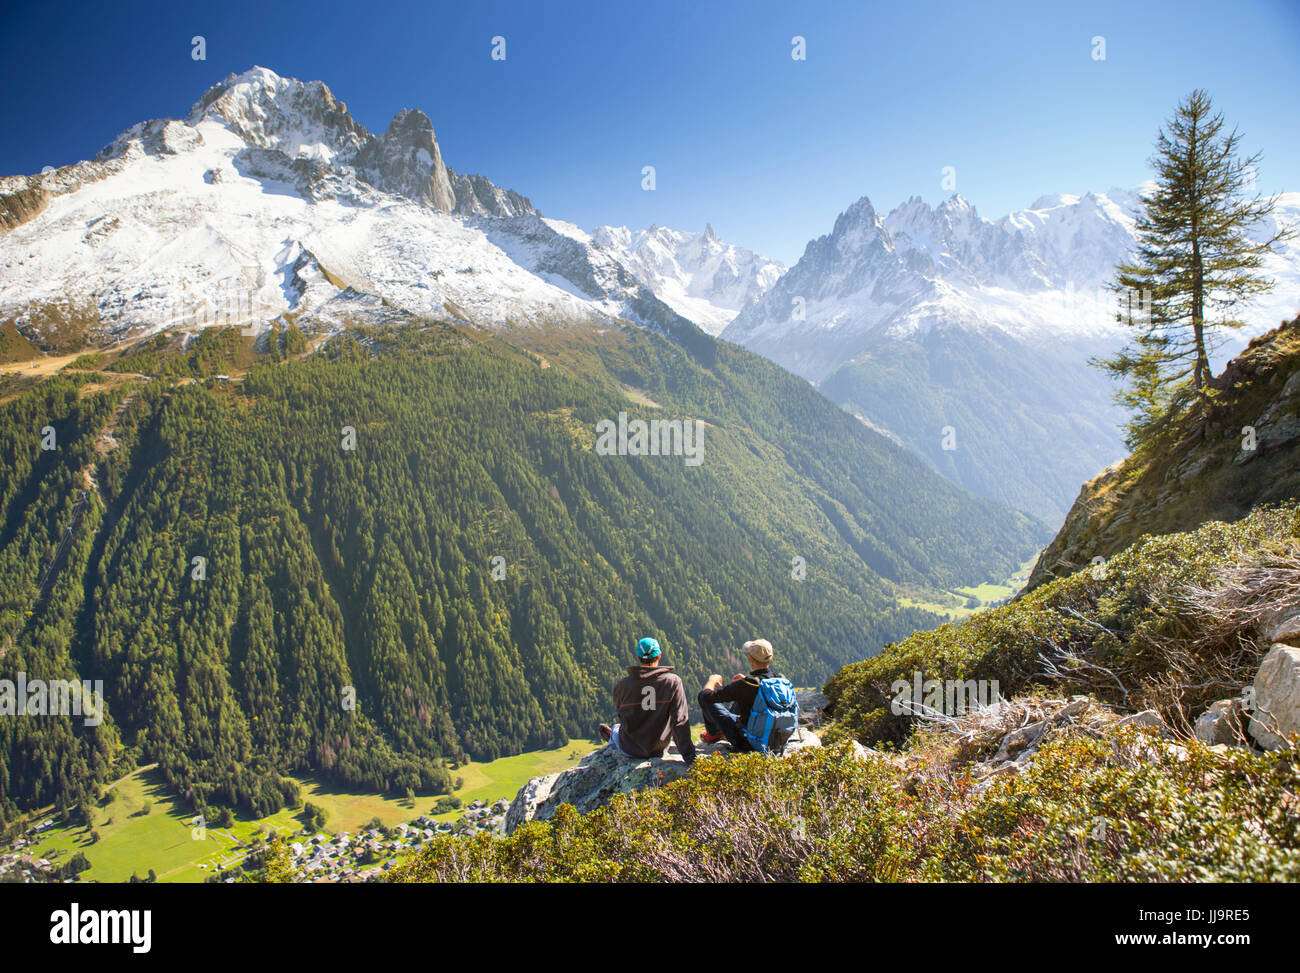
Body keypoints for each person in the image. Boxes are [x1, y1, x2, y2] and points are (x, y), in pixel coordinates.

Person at [600, 637, 696, 765]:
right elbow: (679, 721)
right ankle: (614, 736)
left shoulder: (621, 686)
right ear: (659, 656)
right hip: (658, 748)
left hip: (630, 749)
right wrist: (691, 760)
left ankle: (613, 738)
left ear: (638, 657)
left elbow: (621, 716)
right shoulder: (673, 682)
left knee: (617, 727)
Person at [697, 638, 796, 752]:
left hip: (748, 742)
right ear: (771, 658)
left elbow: (706, 696)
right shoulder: (781, 679)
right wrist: (745, 679)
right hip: (777, 738)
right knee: (742, 700)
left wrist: (712, 681)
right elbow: (759, 687)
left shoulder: (746, 685)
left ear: (751, 660)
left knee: (703, 698)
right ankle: (719, 733)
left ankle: (714, 733)